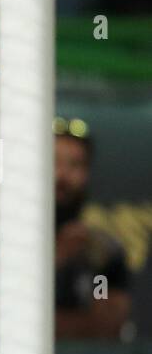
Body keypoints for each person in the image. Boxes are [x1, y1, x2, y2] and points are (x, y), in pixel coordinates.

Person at [54, 118, 131, 339]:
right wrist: (57, 259)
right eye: (54, 161)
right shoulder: (3, 240)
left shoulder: (101, 253)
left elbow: (104, 326)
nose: (62, 175)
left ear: (87, 174)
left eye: (75, 165)